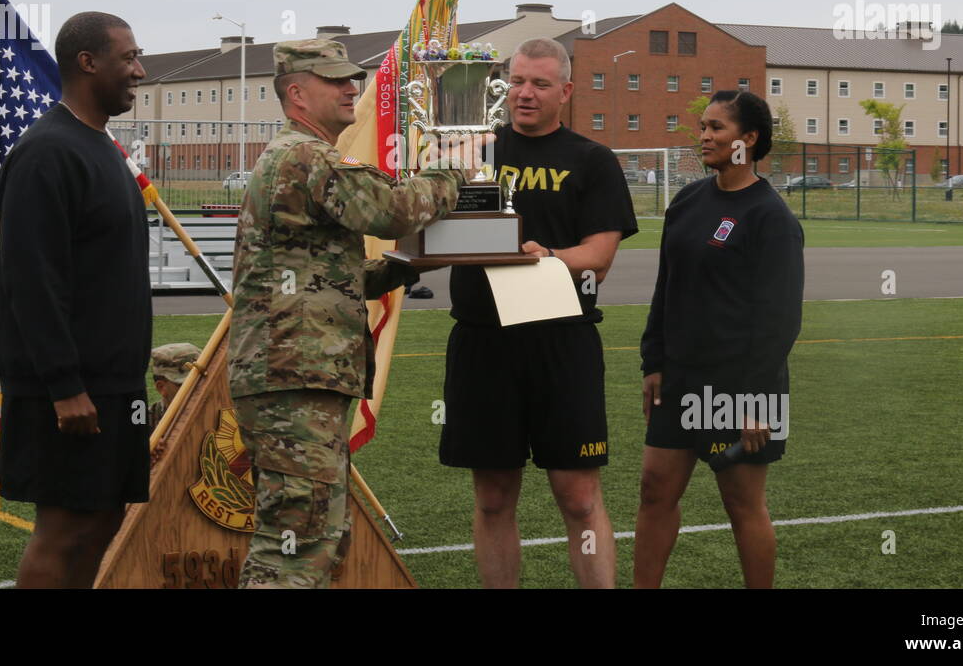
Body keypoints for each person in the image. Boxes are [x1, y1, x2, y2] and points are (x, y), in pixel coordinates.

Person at [227, 38, 479, 589]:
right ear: (297, 93)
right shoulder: (306, 155)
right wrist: (452, 170)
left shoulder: (293, 157)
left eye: (353, 78)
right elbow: (392, 209)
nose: (351, 88)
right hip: (294, 376)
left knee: (317, 534)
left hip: (293, 375)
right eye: (335, 80)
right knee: (296, 542)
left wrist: (405, 268)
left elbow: (324, 280)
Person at [440, 37, 638, 589]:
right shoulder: (468, 152)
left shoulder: (592, 161)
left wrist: (547, 257)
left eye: (540, 84)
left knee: (578, 498)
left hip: (562, 341)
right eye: (518, 82)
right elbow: (433, 234)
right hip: (483, 341)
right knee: (494, 495)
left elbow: (599, 258)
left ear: (566, 91)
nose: (525, 94)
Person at [0, 11, 151, 589]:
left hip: (112, 385)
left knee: (101, 521)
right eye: (128, 58)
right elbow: (32, 281)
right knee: (64, 529)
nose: (139, 70)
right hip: (69, 393)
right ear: (88, 63)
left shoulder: (101, 146)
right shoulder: (46, 152)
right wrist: (64, 387)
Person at [633, 90, 804, 589]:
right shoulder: (687, 201)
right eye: (703, 127)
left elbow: (780, 321)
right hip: (680, 378)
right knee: (654, 490)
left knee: (742, 505)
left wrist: (756, 401)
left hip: (739, 386)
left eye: (717, 128)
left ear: (748, 139)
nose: (704, 136)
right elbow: (667, 286)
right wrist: (653, 362)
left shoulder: (771, 219)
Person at [148, 343, 198, 432]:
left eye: (199, 382)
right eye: (184, 385)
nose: (195, 389)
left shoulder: (219, 413)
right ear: (161, 387)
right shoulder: (145, 424)